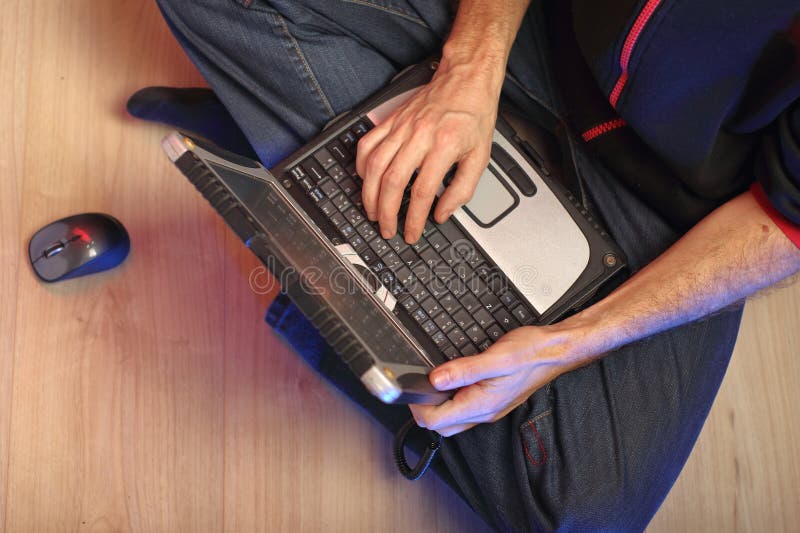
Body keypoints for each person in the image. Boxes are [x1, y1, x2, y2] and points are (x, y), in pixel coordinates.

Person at [147, 0, 800, 530]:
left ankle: (311, 145)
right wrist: (471, 67)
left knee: (582, 512)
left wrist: (569, 344)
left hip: (679, 206)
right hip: (534, 35)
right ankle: (313, 148)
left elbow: (784, 222)